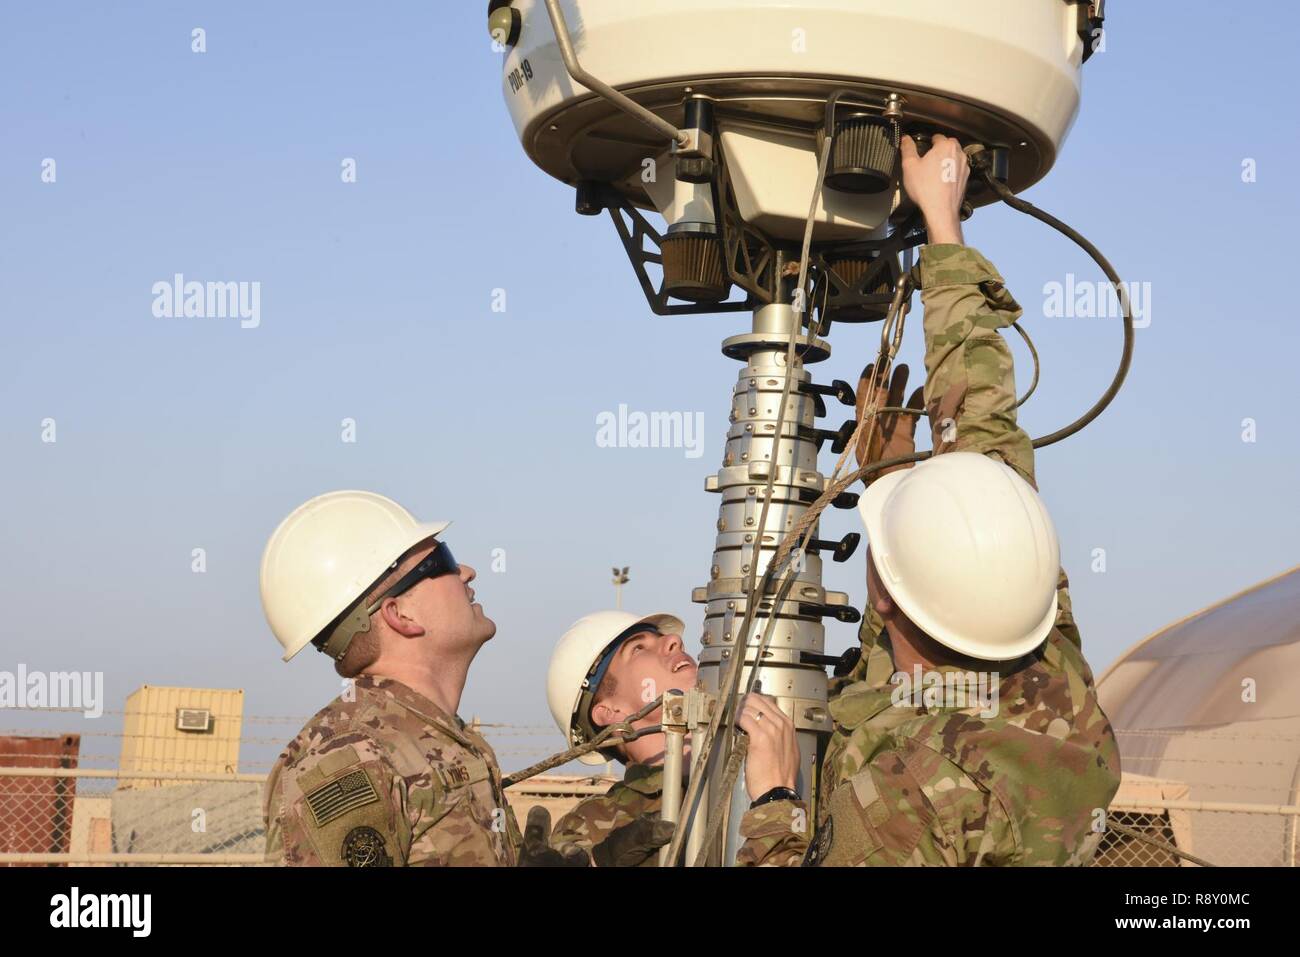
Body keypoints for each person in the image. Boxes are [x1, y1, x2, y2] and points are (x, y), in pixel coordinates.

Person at [733, 134, 1122, 866]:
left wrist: (772, 806)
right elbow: (986, 452)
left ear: (884, 598)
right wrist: (943, 228)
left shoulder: (909, 789)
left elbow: (988, 440)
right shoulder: (1053, 688)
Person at [259, 489, 524, 866]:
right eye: (441, 561)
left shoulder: (452, 741)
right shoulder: (351, 760)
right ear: (400, 615)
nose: (466, 571)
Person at [544, 611, 790, 866]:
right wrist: (777, 800)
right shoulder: (592, 827)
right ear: (611, 712)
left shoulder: (786, 748)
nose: (674, 640)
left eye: (662, 637)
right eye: (638, 648)